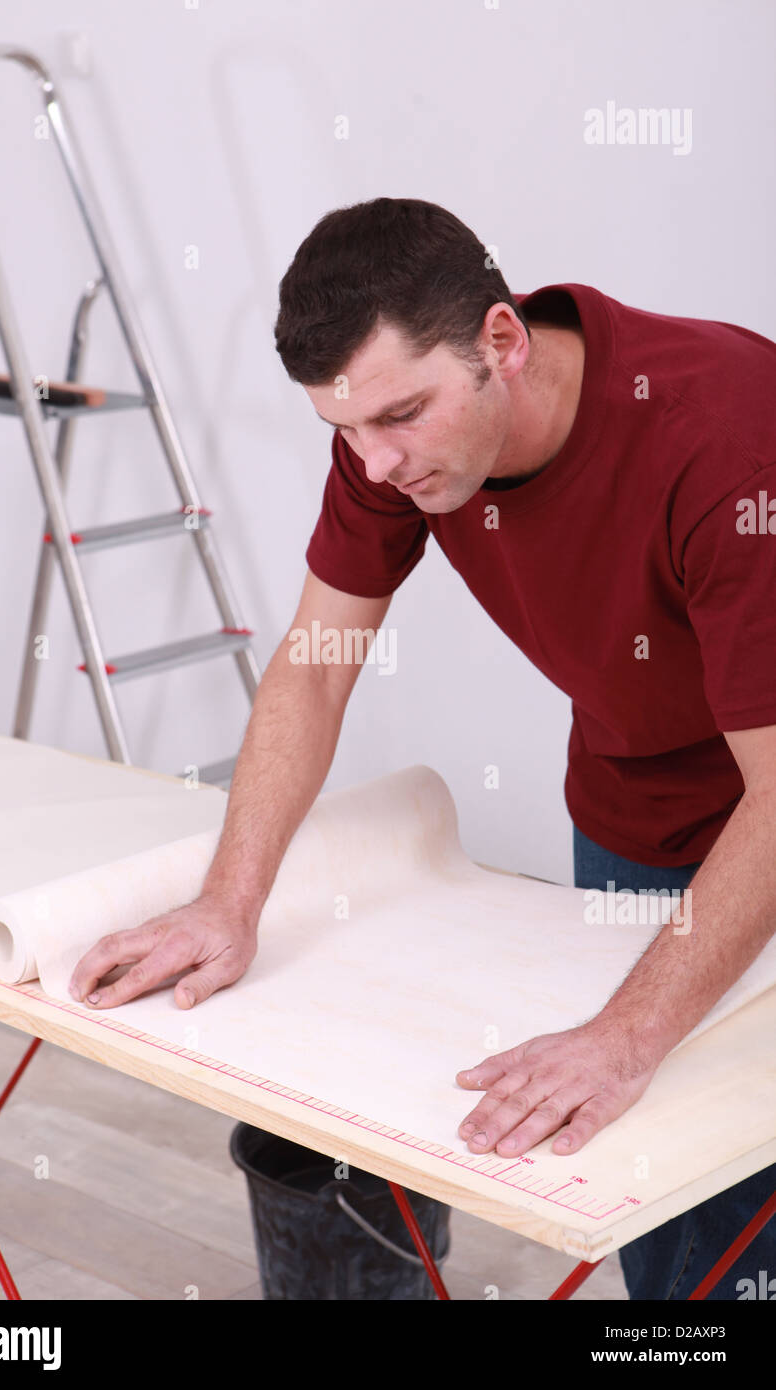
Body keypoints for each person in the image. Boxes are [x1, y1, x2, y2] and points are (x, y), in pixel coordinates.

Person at [69, 197, 776, 1300]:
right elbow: (311, 666)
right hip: (635, 816)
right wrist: (228, 899)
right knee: (661, 1213)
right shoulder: (382, 444)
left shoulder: (723, 434)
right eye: (342, 429)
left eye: (399, 414)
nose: (374, 461)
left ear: (502, 341)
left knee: (744, 1216)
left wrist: (627, 1032)